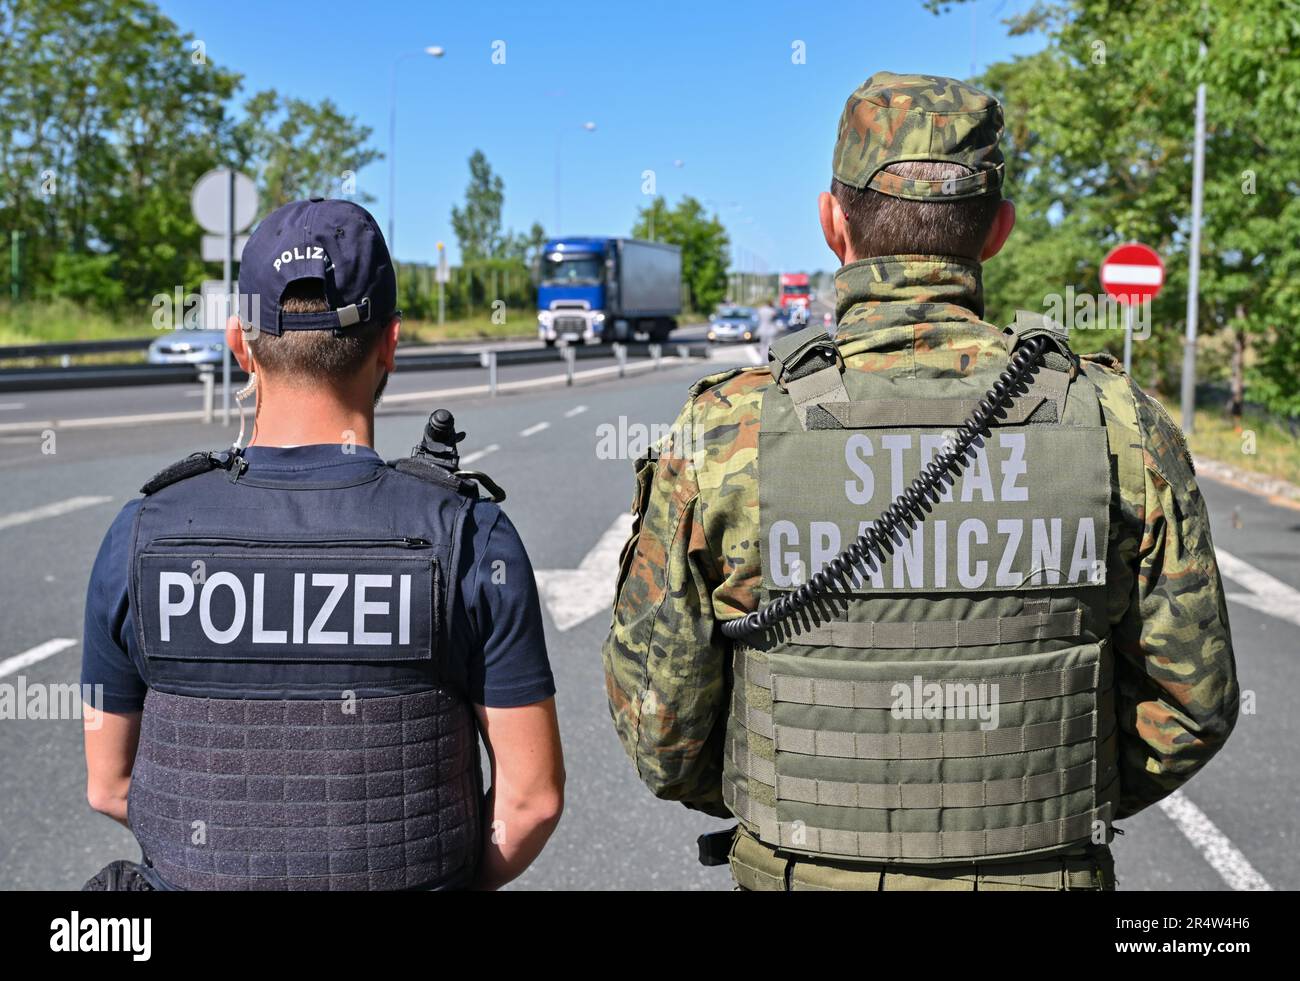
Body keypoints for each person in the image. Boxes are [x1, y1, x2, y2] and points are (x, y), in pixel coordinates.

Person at [601, 73, 1239, 891]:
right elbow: (1194, 704)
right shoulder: (1119, 422)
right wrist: (1044, 799)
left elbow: (663, 732)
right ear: (998, 230)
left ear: (833, 222)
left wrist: (786, 797)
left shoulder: (726, 431)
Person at [82, 198, 563, 891]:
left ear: (239, 344)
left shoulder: (139, 532)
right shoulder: (469, 537)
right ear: (390, 341)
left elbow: (109, 782)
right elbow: (530, 800)